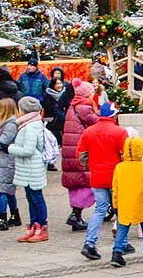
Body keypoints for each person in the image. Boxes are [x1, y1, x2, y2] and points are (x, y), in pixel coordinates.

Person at [78, 100, 129, 259]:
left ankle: (89, 243)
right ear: (115, 114)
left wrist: (89, 167)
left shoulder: (89, 131)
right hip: (116, 177)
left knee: (100, 210)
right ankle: (122, 243)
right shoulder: (120, 132)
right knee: (121, 211)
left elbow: (81, 155)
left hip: (97, 176)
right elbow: (125, 156)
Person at [109, 134, 143, 267]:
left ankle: (117, 252)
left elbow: (115, 189)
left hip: (124, 204)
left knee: (122, 228)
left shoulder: (119, 167)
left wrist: (115, 205)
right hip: (141, 203)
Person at [9, 96, 51, 242]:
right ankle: (34, 226)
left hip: (33, 167)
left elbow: (28, 150)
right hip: (28, 168)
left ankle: (42, 228)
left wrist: (11, 148)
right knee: (30, 198)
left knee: (36, 198)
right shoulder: (28, 123)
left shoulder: (31, 126)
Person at [61, 80, 98, 231]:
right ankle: (76, 214)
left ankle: (76, 214)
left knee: (76, 182)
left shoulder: (73, 105)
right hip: (81, 150)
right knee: (87, 182)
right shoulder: (84, 107)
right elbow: (97, 123)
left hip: (71, 149)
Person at [0, 97, 21, 232]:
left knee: (1, 189)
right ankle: (14, 216)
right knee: (8, 190)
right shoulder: (5, 122)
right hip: (3, 160)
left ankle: (2, 219)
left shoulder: (10, 124)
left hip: (6, 161)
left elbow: (3, 143)